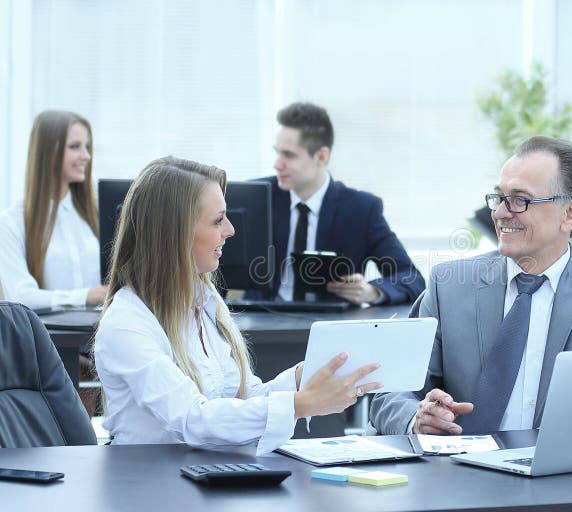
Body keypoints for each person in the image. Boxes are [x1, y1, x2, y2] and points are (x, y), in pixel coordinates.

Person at [369, 136, 572, 435]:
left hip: (566, 484)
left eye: (519, 200)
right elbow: (389, 390)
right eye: (498, 197)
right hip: (459, 479)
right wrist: (417, 418)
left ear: (570, 214)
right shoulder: (450, 286)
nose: (500, 213)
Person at [94, 156, 381, 452]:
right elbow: (193, 418)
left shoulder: (204, 301)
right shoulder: (127, 323)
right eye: (218, 220)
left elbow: (240, 401)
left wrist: (300, 379)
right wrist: (300, 404)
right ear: (175, 234)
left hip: (207, 474)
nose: (230, 230)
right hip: (153, 486)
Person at [258, 102, 424, 305]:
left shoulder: (361, 209)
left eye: (289, 155)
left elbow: (411, 278)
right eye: (278, 152)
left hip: (330, 325)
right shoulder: (258, 197)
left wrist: (371, 291)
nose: (277, 164)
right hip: (262, 324)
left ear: (321, 156)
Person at [0, 110, 106, 310]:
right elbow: (21, 297)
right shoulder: (11, 222)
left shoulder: (96, 213)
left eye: (87, 147)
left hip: (97, 336)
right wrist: (85, 296)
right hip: (46, 339)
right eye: (75, 147)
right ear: (48, 152)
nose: (86, 156)